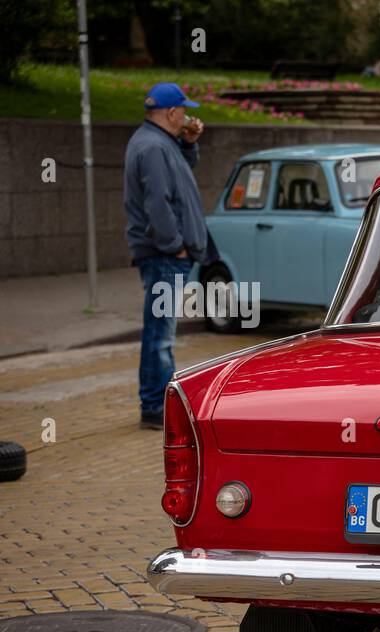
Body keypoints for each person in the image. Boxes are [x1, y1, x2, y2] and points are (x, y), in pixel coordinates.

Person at [123, 82, 209, 430]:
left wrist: (188, 143)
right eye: (184, 110)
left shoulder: (159, 143)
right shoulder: (154, 147)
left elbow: (178, 179)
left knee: (161, 331)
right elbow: (157, 203)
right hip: (164, 255)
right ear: (172, 113)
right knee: (161, 335)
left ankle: (155, 403)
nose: (187, 116)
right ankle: (155, 407)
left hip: (167, 253)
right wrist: (174, 245)